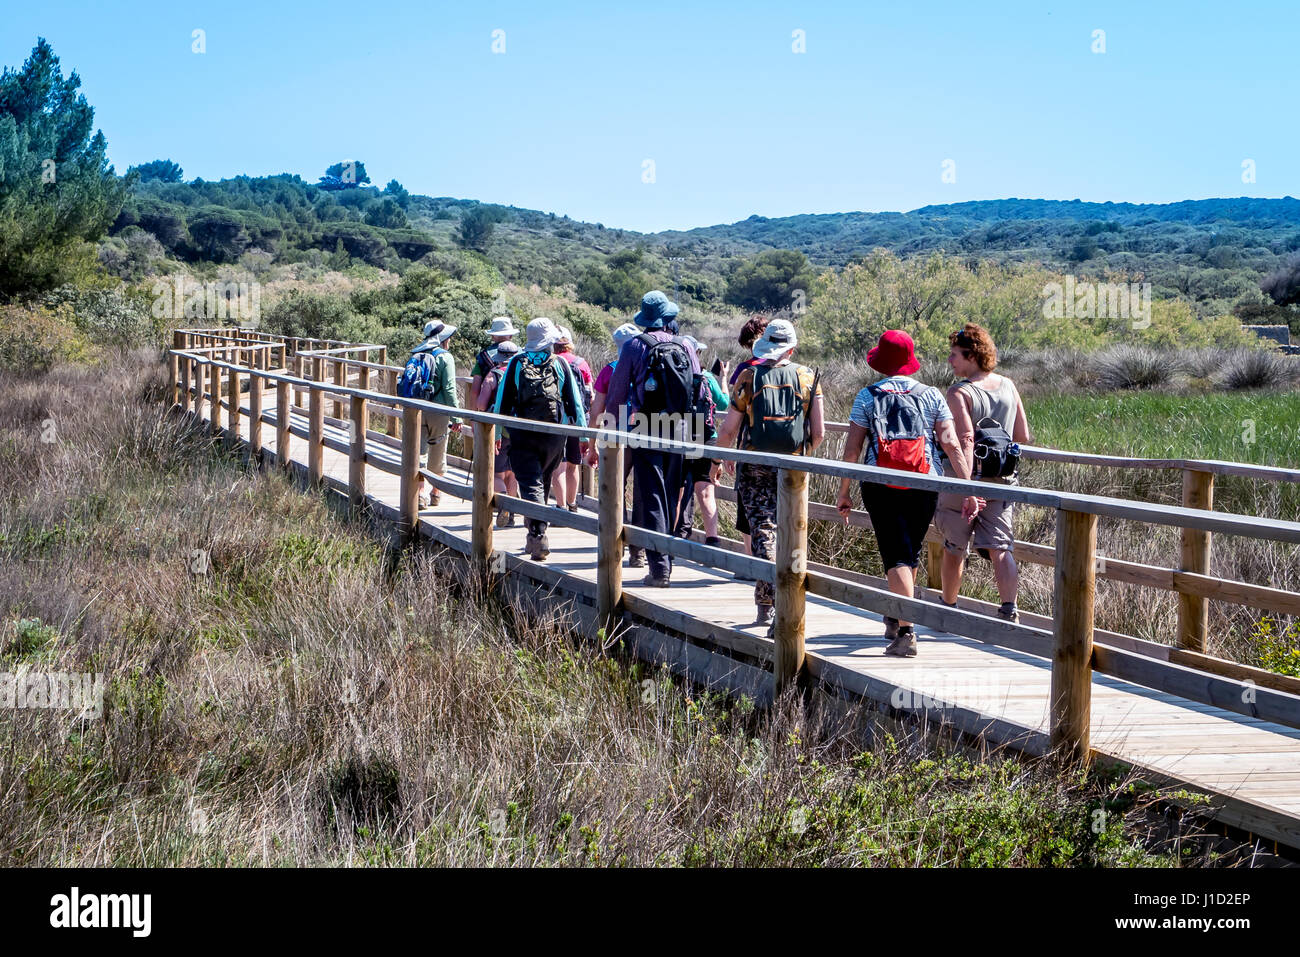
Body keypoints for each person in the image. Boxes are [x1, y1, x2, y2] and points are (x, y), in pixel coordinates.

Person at [835, 329, 978, 657]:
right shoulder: (931, 395)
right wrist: (969, 488)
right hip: (924, 483)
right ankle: (897, 616)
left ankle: (906, 631)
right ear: (910, 360)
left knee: (895, 554)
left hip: (880, 483)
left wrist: (845, 491)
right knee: (909, 551)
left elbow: (852, 449)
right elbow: (951, 443)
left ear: (882, 361)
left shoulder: (867, 396)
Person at [715, 320, 824, 625]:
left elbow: (728, 429)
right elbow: (819, 432)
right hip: (794, 466)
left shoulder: (749, 376)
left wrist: (718, 459)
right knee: (790, 532)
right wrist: (801, 455)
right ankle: (782, 597)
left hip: (754, 465)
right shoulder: (808, 377)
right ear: (792, 347)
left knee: (764, 531)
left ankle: (769, 602)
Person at [604, 291, 701, 587]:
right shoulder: (686, 344)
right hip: (682, 427)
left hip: (647, 426)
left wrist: (611, 427)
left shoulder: (635, 345)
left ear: (645, 318)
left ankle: (659, 568)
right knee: (672, 494)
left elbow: (618, 392)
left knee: (653, 496)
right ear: (669, 317)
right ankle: (667, 557)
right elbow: (698, 388)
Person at [937, 322, 1032, 622]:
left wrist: (968, 489)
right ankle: (1009, 610)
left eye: (954, 355)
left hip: (966, 480)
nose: (950, 360)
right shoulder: (1008, 385)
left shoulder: (959, 392)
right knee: (1000, 548)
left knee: (954, 547)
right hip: (1002, 480)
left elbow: (965, 440)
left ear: (972, 355)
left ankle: (948, 610)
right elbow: (1023, 436)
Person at [492, 318, 587, 561]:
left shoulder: (515, 363)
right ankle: (534, 536)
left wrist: (498, 432)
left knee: (531, 484)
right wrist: (584, 436)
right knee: (541, 482)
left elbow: (502, 403)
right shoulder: (560, 364)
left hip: (522, 433)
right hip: (554, 436)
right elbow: (574, 403)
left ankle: (538, 535)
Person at [586, 323, 646, 567]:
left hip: (614, 439)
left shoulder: (610, 370)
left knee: (613, 492)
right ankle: (639, 552)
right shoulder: (647, 367)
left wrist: (591, 445)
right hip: (645, 434)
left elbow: (595, 411)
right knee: (643, 493)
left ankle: (613, 547)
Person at [674, 335, 728, 546]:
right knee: (706, 491)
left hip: (683, 435)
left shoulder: (675, 375)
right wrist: (724, 378)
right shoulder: (706, 377)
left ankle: (674, 538)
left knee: (678, 491)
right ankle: (712, 540)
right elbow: (723, 404)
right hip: (707, 437)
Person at [726, 314, 769, 573]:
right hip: (786, 452)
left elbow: (733, 414)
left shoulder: (745, 370)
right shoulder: (794, 370)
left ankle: (752, 563)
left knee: (747, 507)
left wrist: (726, 453)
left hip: (749, 447)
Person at [405, 320, 459, 509]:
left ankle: (419, 494)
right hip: (438, 411)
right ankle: (435, 493)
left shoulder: (416, 353)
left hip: (415, 409)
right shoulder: (445, 357)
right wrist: (457, 416)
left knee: (418, 452)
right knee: (437, 452)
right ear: (444, 339)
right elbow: (450, 389)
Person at [476, 339, 522, 528]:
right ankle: (511, 513)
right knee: (512, 474)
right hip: (519, 430)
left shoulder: (493, 375)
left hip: (499, 432)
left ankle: (503, 505)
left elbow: (480, 404)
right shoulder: (523, 374)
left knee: (496, 473)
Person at [551, 326, 595, 513]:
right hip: (578, 420)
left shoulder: (551, 362)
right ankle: (572, 504)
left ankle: (560, 506)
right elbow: (591, 395)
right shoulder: (581, 363)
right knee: (573, 465)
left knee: (558, 466)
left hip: (557, 420)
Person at [470, 316, 520, 402]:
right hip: (518, 410)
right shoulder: (521, 354)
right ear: (511, 336)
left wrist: (473, 413)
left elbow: (475, 391)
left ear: (492, 336)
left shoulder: (483, 356)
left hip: (492, 409)